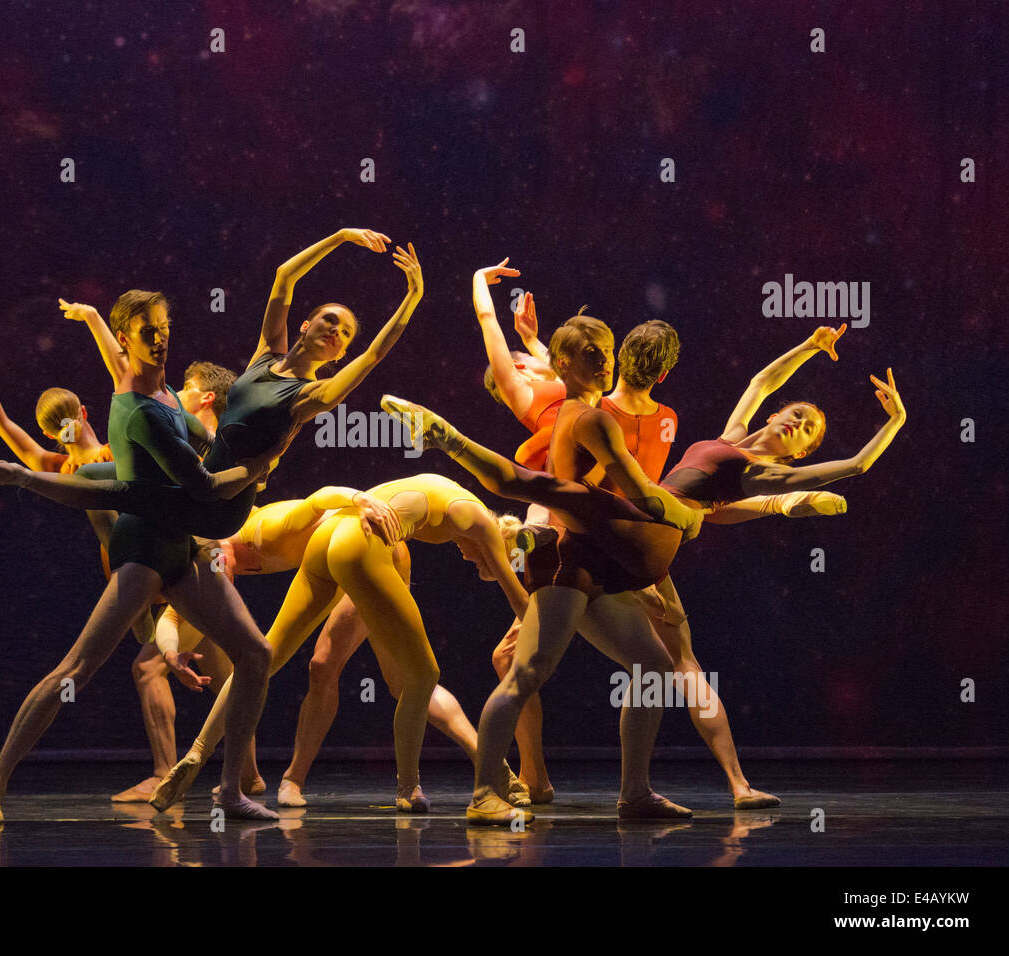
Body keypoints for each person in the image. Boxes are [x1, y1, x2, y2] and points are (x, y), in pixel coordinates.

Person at [382, 322, 905, 825]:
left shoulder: (763, 471)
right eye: (794, 413)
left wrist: (892, 425)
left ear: (803, 450)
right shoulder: (730, 437)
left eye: (808, 429)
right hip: (619, 535)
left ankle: (634, 792)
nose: (795, 423)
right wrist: (810, 347)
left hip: (631, 546)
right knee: (527, 662)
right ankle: (484, 795)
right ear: (773, 415)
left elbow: (855, 466)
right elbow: (760, 382)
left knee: (654, 668)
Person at [0, 292, 291, 823]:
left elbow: (117, 361)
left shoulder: (161, 391)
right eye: (148, 331)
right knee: (74, 669)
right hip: (142, 550)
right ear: (128, 340)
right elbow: (204, 486)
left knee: (254, 654)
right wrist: (257, 467)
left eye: (164, 326)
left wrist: (91, 316)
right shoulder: (139, 411)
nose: (161, 337)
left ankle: (231, 790)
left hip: (181, 547)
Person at [0, 231, 424, 539]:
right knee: (91, 470)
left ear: (340, 354)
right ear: (306, 324)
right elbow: (284, 277)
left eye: (344, 334)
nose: (336, 332)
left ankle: (18, 478)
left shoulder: (309, 396)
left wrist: (412, 299)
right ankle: (37, 485)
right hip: (202, 468)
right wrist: (341, 237)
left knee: (125, 489)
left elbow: (374, 355)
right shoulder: (266, 356)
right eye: (329, 319)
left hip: (223, 499)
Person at [151, 474, 530, 814]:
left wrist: (359, 498)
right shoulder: (478, 521)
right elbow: (518, 599)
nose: (468, 558)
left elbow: (325, 498)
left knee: (388, 678)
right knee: (412, 675)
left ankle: (200, 755)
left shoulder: (252, 531)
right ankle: (410, 787)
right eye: (479, 563)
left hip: (347, 541)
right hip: (354, 545)